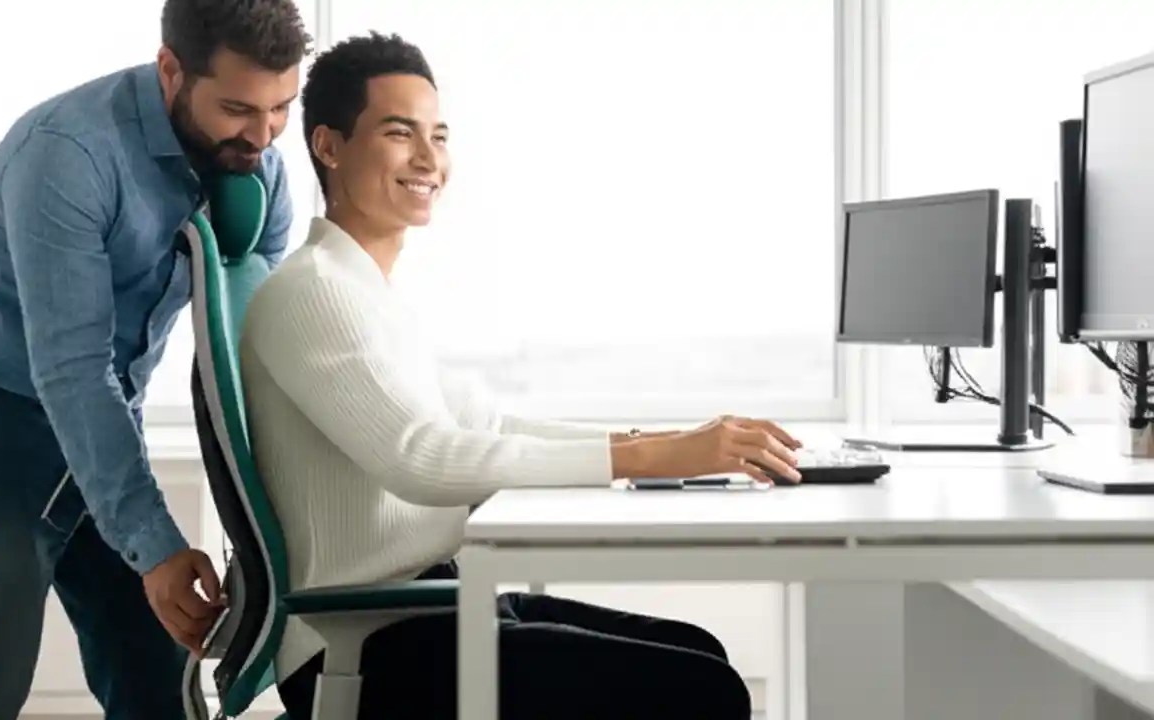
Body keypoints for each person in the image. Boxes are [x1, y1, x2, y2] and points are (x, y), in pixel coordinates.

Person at [240, 32, 803, 719]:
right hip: (367, 641)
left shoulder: (370, 296)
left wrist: (668, 443)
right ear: (329, 147)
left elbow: (486, 428)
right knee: (700, 691)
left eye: (439, 136)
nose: (429, 160)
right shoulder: (313, 292)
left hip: (428, 603)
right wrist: (650, 455)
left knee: (699, 653)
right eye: (399, 133)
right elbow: (422, 459)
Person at [0, 2, 309, 717]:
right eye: (240, 108)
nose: (264, 135)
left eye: (282, 107)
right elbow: (71, 366)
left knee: (158, 673)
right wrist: (154, 547)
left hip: (107, 423)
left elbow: (263, 345)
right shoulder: (67, 153)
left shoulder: (258, 168)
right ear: (170, 71)